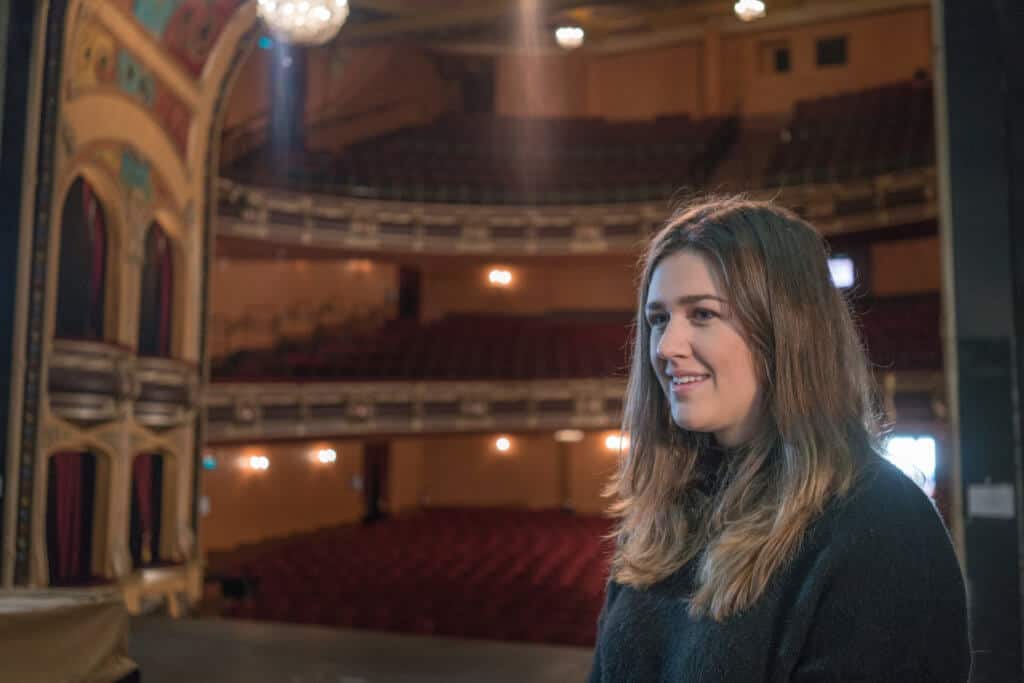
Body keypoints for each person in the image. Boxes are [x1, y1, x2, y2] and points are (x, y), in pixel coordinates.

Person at [588, 197, 970, 682]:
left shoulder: (884, 525)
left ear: (786, 330)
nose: (665, 347)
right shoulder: (660, 517)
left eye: (702, 314)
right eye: (658, 318)